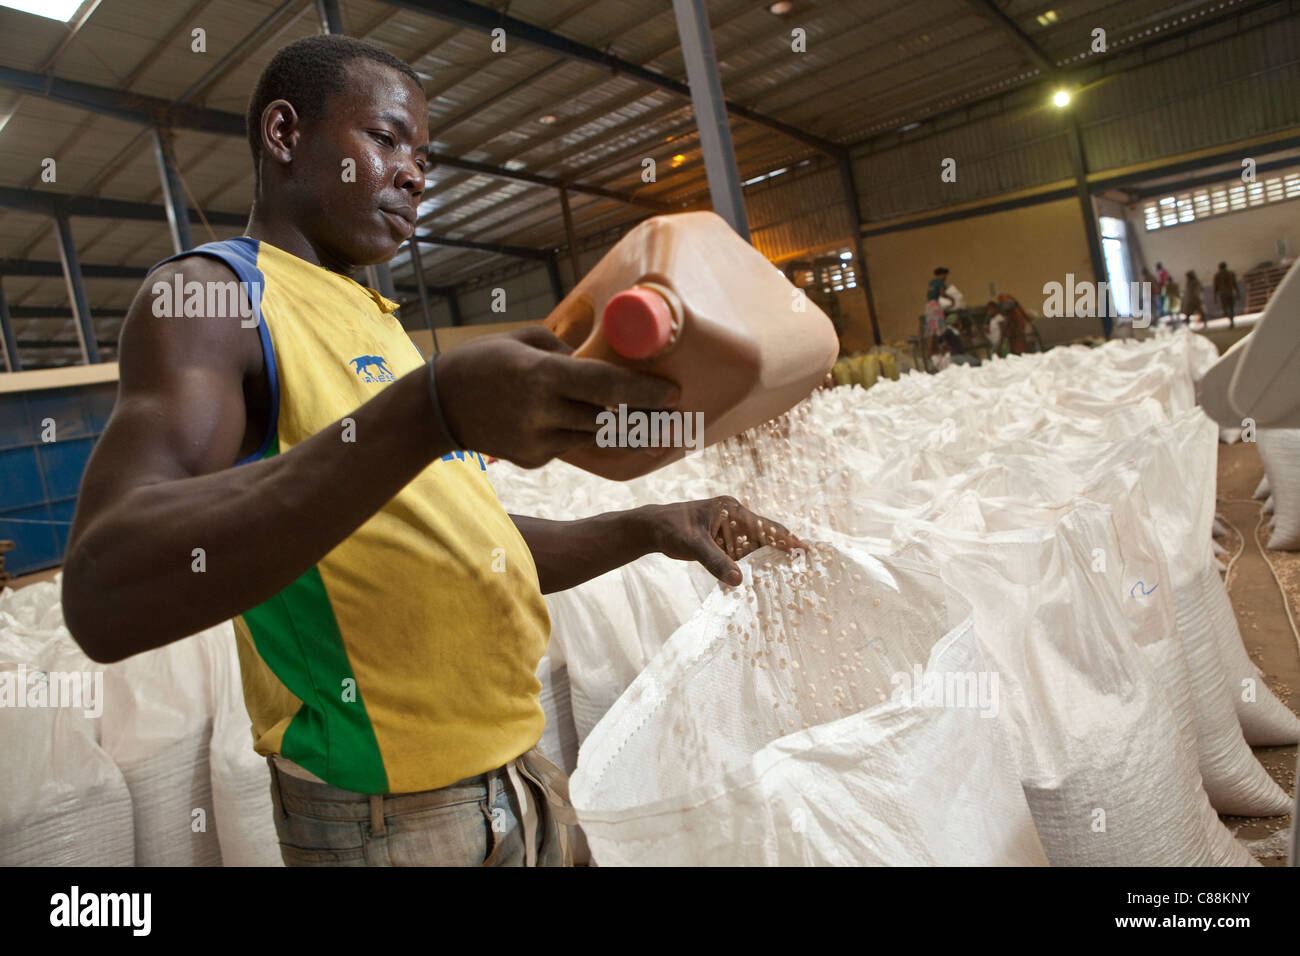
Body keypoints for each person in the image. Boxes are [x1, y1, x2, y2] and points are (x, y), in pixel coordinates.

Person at [59, 35, 800, 868]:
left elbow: (463, 542)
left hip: (519, 774)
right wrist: (432, 410)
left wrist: (649, 526)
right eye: (384, 139)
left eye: (423, 154)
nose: (414, 172)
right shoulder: (213, 299)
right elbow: (102, 585)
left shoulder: (377, 322)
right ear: (283, 133)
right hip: (389, 822)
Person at [1214, 261, 1238, 327]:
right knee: (1228, 309)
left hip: (1226, 294)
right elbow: (1216, 287)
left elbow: (1234, 284)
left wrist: (1215, 297)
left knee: (1229, 308)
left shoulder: (1229, 274)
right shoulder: (1218, 276)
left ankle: (1231, 321)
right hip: (1226, 294)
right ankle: (1231, 320)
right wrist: (1215, 296)